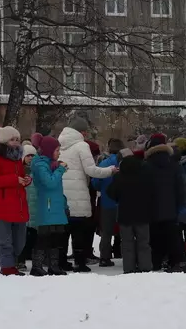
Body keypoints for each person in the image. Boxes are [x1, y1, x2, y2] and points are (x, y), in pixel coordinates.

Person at [56, 117, 115, 272]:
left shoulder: (60, 143)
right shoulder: (82, 145)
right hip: (78, 193)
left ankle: (61, 261)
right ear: (82, 131)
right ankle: (80, 262)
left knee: (64, 230)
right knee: (78, 231)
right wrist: (110, 170)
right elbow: (91, 170)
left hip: (62, 193)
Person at [0, 126, 31, 276]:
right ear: (5, 141)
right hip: (3, 205)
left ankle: (12, 262)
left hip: (18, 204)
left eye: (17, 139)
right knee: (5, 240)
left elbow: (20, 178)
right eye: (12, 139)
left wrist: (26, 180)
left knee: (20, 241)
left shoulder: (18, 159)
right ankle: (7, 267)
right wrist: (14, 180)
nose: (16, 142)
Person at [145, 133, 186, 272]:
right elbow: (181, 188)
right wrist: (182, 208)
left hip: (152, 209)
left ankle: (156, 262)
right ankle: (179, 262)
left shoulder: (145, 166)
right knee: (174, 236)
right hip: (172, 208)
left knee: (155, 237)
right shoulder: (175, 165)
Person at [107, 148, 154, 273]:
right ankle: (145, 267)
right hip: (142, 214)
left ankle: (129, 268)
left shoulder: (119, 177)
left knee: (127, 243)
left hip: (125, 214)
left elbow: (110, 192)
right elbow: (152, 193)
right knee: (143, 242)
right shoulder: (145, 176)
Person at [29, 135, 69, 276]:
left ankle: (54, 265)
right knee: (44, 236)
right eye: (57, 150)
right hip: (47, 205)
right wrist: (60, 170)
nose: (59, 153)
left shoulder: (51, 164)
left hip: (55, 205)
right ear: (49, 150)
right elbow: (50, 183)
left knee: (57, 235)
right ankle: (37, 265)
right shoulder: (41, 165)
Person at [91, 137, 124, 267]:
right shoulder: (126, 162)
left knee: (106, 232)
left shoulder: (104, 164)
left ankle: (105, 257)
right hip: (124, 202)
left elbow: (95, 183)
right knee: (126, 231)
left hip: (107, 202)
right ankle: (127, 255)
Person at [20, 144, 39, 273]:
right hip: (24, 205)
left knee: (34, 234)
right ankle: (21, 258)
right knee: (22, 235)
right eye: (28, 155)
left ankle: (33, 256)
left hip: (35, 206)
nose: (31, 158)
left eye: (33, 155)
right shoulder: (21, 171)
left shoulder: (38, 171)